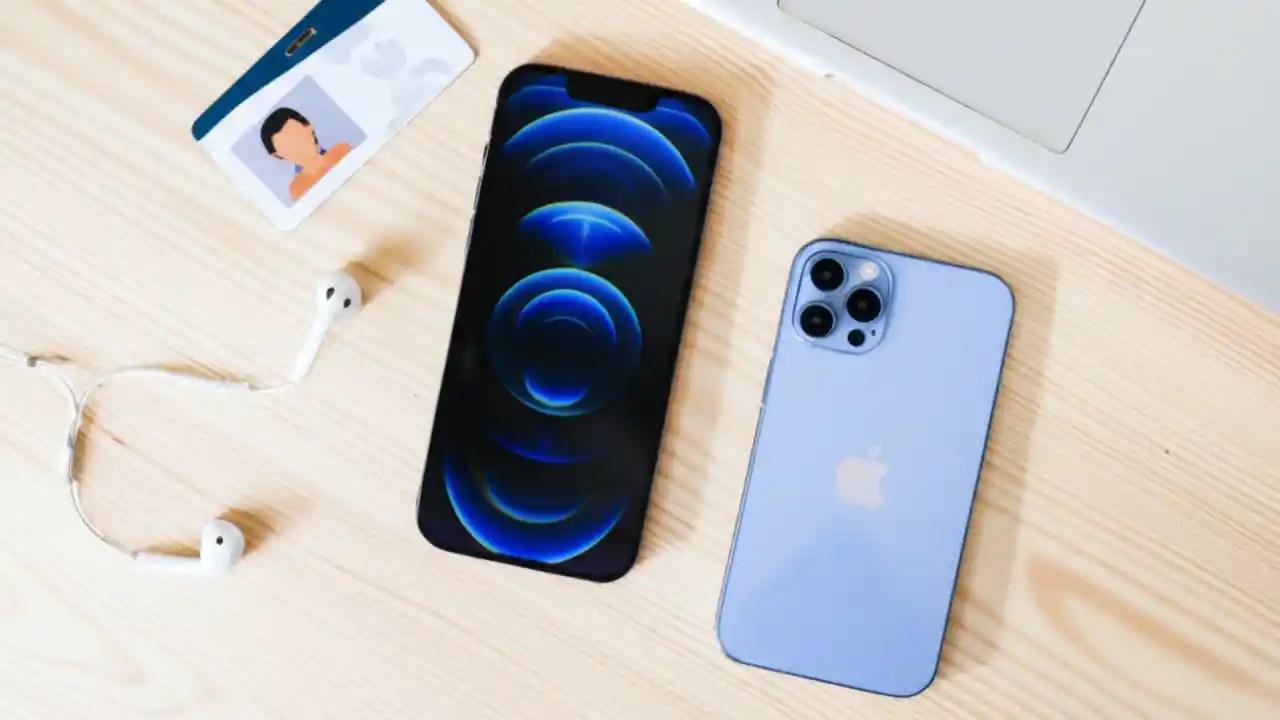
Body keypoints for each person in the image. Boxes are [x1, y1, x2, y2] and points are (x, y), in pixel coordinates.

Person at [260, 107, 353, 202]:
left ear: (309, 127)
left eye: (298, 137)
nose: (298, 147)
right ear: (277, 156)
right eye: (288, 147)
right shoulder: (297, 189)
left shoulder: (342, 151)